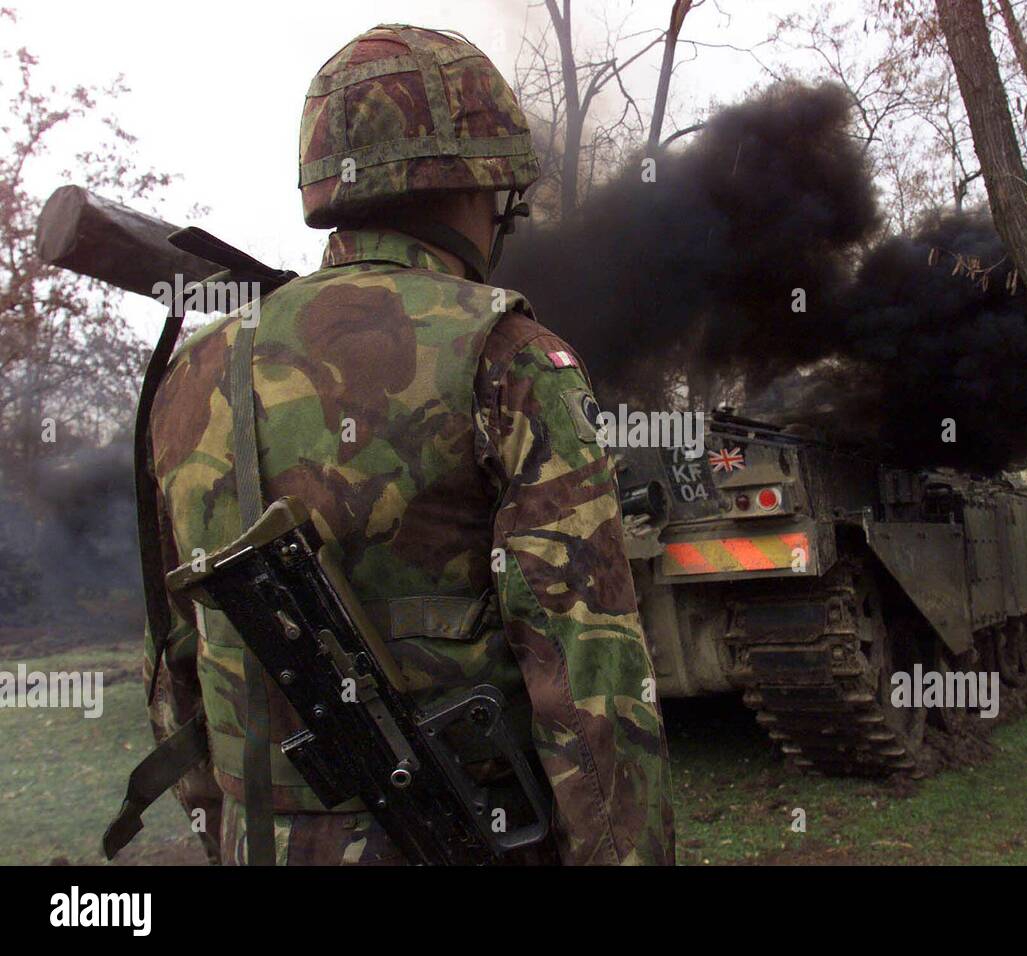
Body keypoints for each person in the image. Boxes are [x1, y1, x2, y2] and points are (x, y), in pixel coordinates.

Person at [136, 24, 674, 865]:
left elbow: (177, 660)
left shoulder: (193, 371)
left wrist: (226, 821)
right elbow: (592, 680)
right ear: (475, 190)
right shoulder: (508, 356)